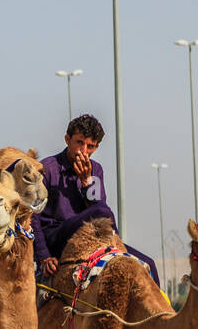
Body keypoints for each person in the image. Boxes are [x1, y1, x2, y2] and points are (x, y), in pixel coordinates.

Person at [33, 113, 159, 285]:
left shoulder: (95, 170)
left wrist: (87, 182)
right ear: (67, 139)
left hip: (88, 237)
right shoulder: (47, 168)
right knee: (102, 210)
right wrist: (44, 257)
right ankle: (116, 245)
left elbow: (98, 213)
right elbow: (32, 218)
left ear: (96, 147)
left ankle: (162, 311)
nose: (84, 151)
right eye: (79, 142)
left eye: (90, 146)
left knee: (149, 264)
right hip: (57, 236)